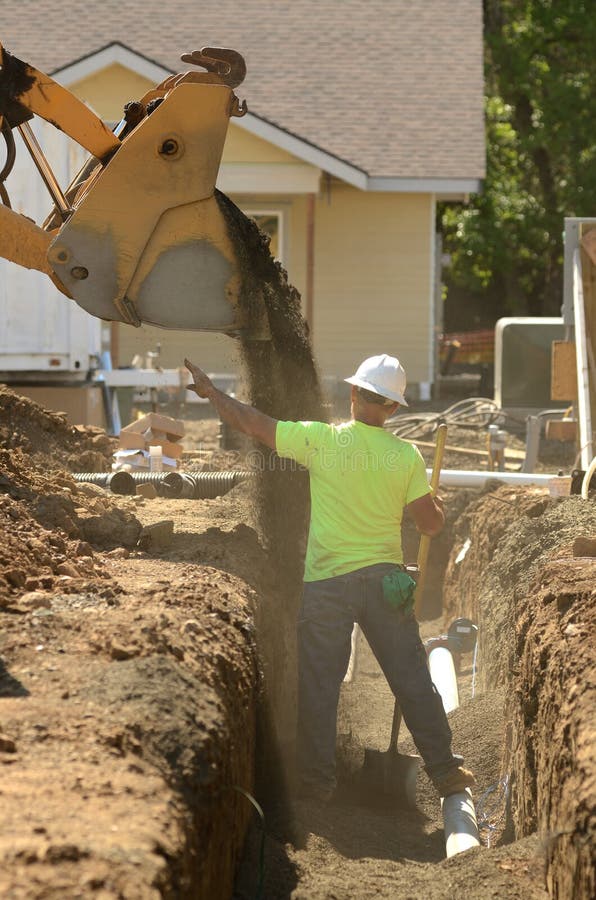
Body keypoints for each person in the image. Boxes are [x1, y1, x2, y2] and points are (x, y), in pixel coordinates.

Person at [184, 353, 475, 803]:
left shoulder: (321, 440)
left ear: (354, 394)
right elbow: (430, 526)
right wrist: (431, 502)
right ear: (394, 408)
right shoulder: (405, 456)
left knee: (320, 685)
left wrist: (212, 392)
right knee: (413, 679)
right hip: (385, 583)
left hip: (327, 585)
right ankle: (446, 772)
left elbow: (252, 422)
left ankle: (318, 785)